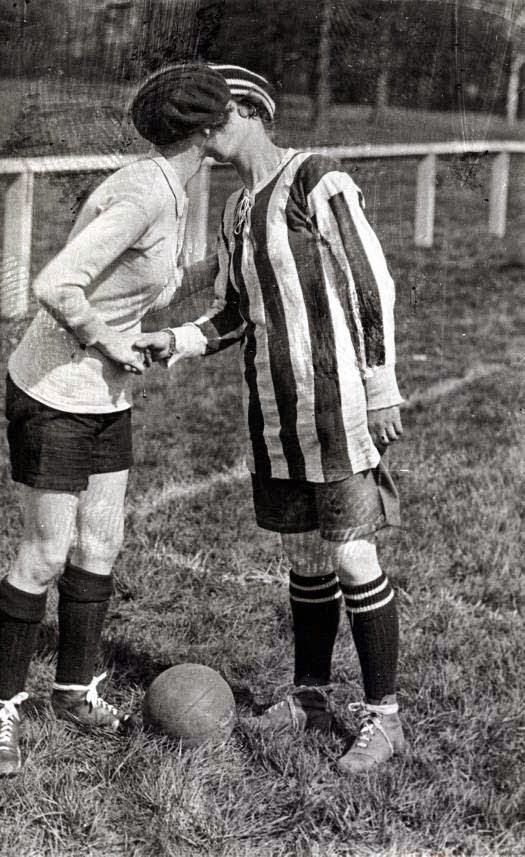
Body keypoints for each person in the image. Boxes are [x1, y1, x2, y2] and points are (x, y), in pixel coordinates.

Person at [136, 64, 406, 774]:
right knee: (306, 560)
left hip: (337, 405)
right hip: (273, 414)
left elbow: (369, 279)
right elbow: (232, 310)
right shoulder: (234, 211)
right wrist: (180, 340)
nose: (209, 138)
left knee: (352, 554)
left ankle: (384, 718)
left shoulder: (314, 178)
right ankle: (309, 695)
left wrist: (380, 384)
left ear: (253, 112)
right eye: (200, 128)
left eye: (217, 121)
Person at [0, 63, 233, 775]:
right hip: (55, 390)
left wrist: (232, 263)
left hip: (104, 396)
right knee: (45, 552)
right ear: (208, 131)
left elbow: (149, 282)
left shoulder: (171, 185)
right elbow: (55, 282)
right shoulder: (142, 192)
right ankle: (2, 709)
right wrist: (104, 338)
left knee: (102, 543)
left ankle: (73, 689)